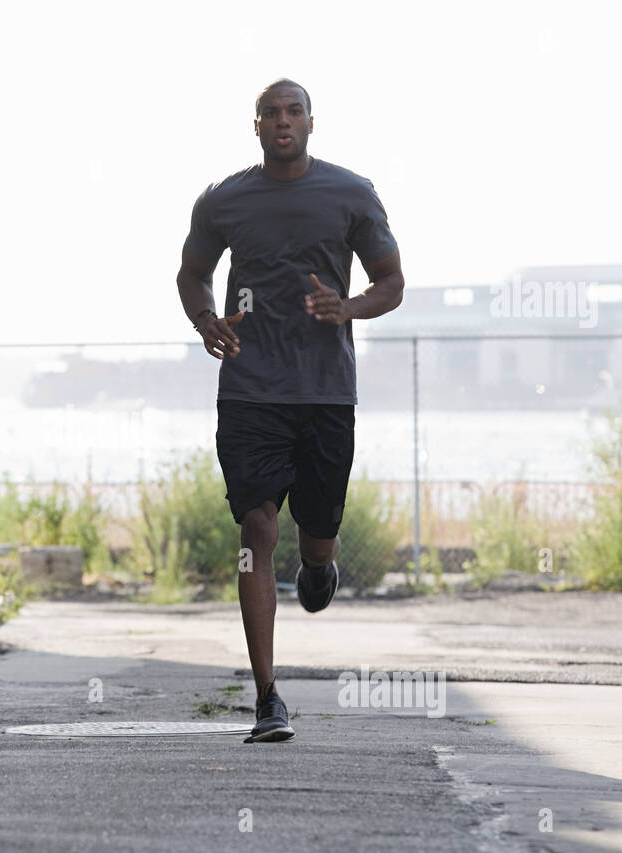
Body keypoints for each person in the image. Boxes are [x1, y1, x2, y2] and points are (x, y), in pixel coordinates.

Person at [175, 78, 405, 742]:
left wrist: (348, 307)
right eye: (270, 113)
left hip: (325, 392)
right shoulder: (224, 199)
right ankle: (267, 698)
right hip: (250, 390)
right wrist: (205, 320)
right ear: (257, 127)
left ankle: (319, 563)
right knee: (257, 531)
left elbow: (391, 282)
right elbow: (192, 273)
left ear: (310, 122)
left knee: (316, 532)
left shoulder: (351, 193)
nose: (283, 121)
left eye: (293, 111)